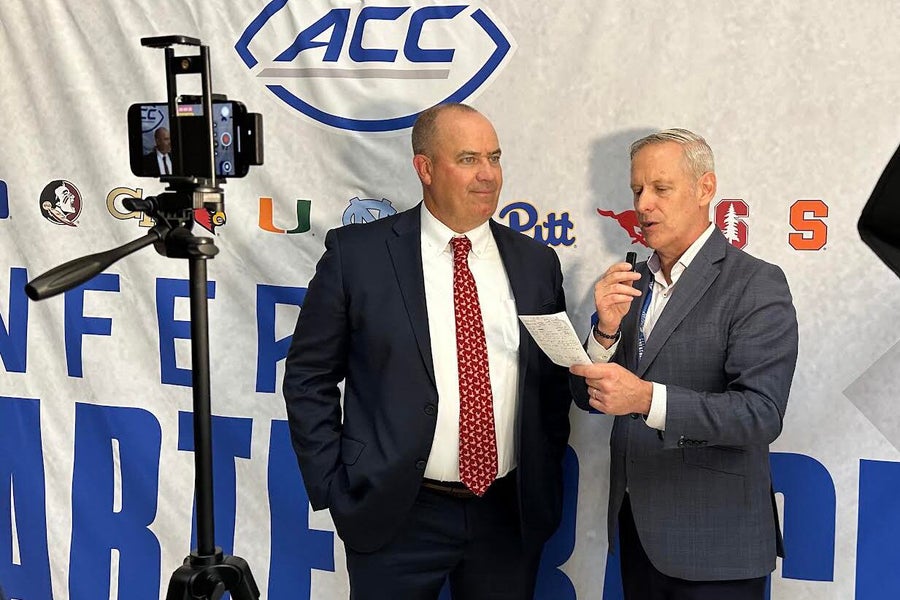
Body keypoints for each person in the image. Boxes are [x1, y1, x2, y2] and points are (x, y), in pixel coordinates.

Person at [283, 103, 572, 599]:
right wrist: (335, 484)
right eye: (468, 159)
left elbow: (550, 384)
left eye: (495, 158)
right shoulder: (359, 256)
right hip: (396, 511)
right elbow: (309, 375)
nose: (488, 176)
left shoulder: (535, 262)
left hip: (506, 513)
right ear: (425, 168)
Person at [570, 128, 798, 599]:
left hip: (719, 548)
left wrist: (647, 399)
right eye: (637, 190)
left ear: (705, 189)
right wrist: (604, 333)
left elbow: (760, 414)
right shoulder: (631, 283)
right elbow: (586, 398)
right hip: (638, 536)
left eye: (661, 188)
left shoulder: (756, 283)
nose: (644, 204)